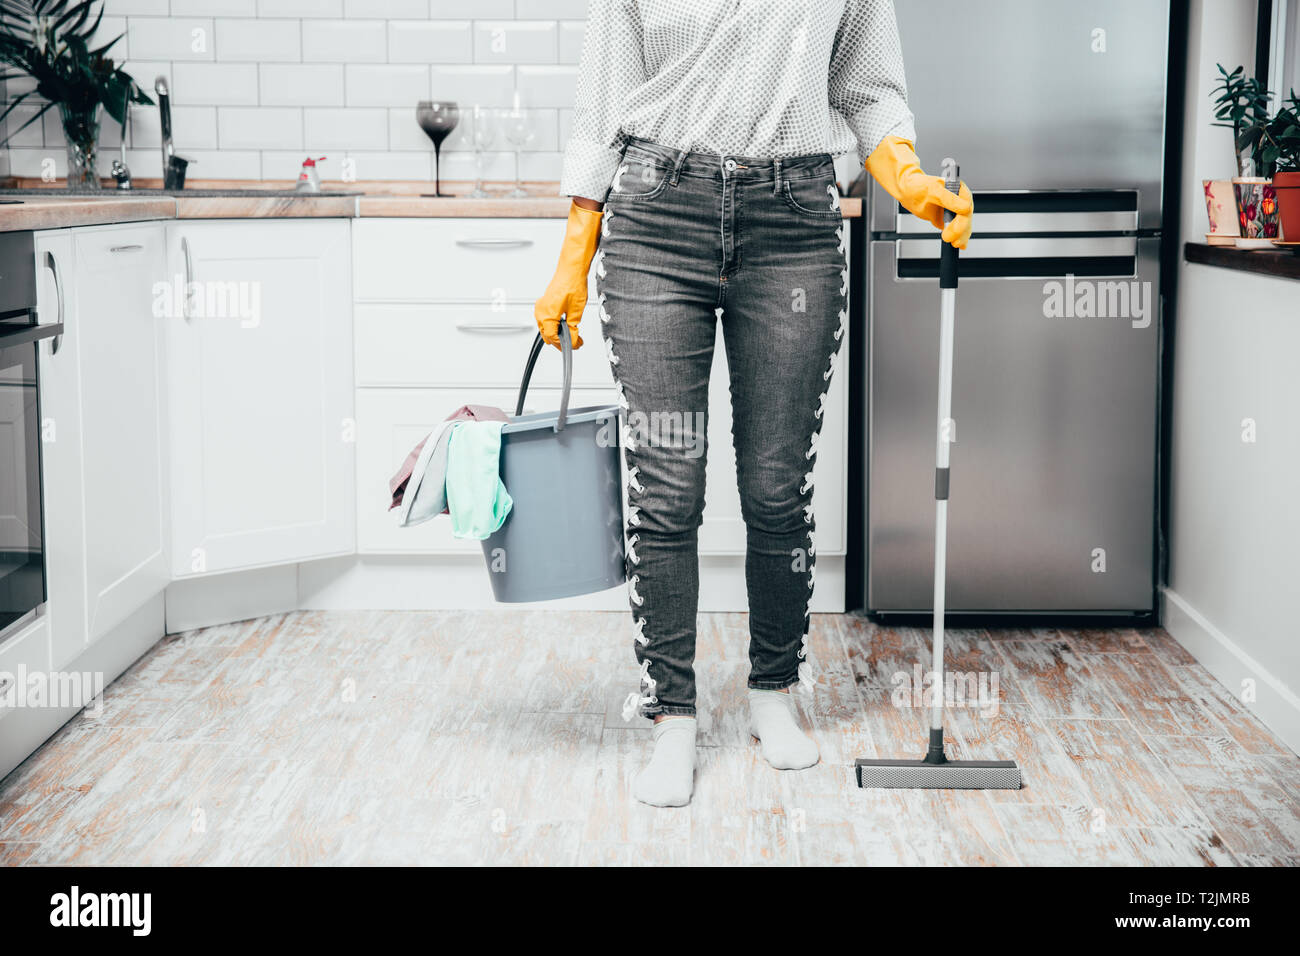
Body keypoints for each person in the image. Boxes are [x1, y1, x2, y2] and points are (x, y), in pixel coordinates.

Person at [534, 0, 972, 807]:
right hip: (655, 219)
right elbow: (602, 107)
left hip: (795, 222)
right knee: (668, 490)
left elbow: (867, 89)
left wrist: (905, 176)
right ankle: (672, 716)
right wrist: (573, 251)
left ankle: (775, 691)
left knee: (776, 488)